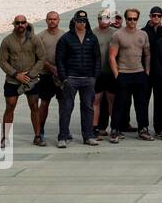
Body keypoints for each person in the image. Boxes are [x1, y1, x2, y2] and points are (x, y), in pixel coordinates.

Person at [53, 10, 100, 146]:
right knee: (66, 108)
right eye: (79, 20)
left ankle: (88, 136)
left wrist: (94, 77)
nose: (82, 23)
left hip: (88, 79)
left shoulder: (92, 37)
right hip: (71, 79)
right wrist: (64, 78)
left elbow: (97, 58)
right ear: (74, 21)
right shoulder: (66, 38)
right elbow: (59, 59)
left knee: (88, 108)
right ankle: (63, 137)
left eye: (84, 21)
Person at [0, 15, 42, 148]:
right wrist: (15, 74)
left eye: (23, 22)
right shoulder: (7, 41)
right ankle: (5, 138)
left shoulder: (35, 39)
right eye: (18, 23)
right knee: (10, 107)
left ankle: (38, 136)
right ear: (14, 24)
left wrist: (32, 74)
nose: (20, 25)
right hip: (13, 80)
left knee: (34, 106)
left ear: (26, 23)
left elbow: (42, 58)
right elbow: (2, 60)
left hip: (31, 79)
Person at [109, 8, 152, 142]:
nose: (132, 21)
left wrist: (147, 71)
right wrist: (117, 74)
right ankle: (115, 130)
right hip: (123, 73)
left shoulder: (143, 34)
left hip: (139, 73)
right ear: (126, 19)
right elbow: (111, 56)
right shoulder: (118, 35)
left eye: (134, 19)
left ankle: (143, 129)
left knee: (141, 104)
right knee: (120, 104)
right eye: (129, 19)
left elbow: (147, 54)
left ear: (137, 19)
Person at [32, 10, 64, 146]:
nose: (52, 21)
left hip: (61, 75)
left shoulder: (64, 35)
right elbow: (39, 56)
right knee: (44, 103)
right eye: (50, 19)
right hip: (45, 75)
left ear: (58, 20)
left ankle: (64, 131)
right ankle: (40, 130)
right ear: (46, 21)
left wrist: (61, 70)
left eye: (54, 19)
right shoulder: (40, 37)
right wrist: (51, 67)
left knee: (64, 104)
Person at [92, 9, 116, 137]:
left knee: (112, 99)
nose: (104, 20)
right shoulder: (92, 33)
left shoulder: (115, 33)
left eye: (107, 17)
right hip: (97, 72)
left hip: (111, 72)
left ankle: (114, 127)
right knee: (96, 100)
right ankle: (95, 127)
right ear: (98, 19)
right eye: (102, 17)